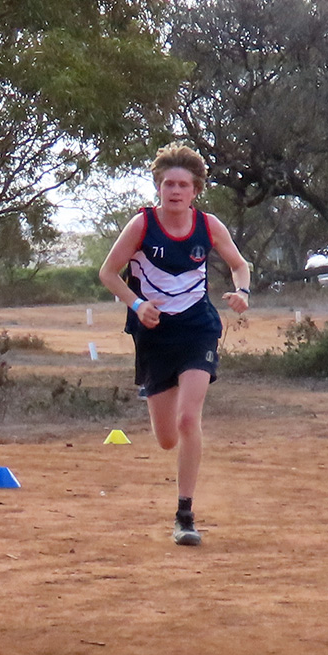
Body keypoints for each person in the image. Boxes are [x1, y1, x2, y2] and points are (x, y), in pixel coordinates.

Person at [99, 143, 251, 547]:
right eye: (169, 184)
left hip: (198, 328)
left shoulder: (208, 225)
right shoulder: (142, 225)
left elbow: (239, 264)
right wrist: (137, 305)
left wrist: (243, 292)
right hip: (153, 333)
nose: (175, 191)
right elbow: (108, 273)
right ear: (159, 187)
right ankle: (161, 412)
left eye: (183, 185)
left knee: (188, 420)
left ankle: (185, 514)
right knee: (167, 438)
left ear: (195, 190)